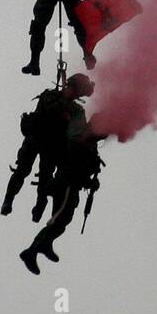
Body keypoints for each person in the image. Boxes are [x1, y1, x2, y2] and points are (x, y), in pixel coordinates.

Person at [20, 102, 106, 274]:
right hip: (66, 184)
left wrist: (90, 182)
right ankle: (32, 250)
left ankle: (44, 245)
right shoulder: (81, 138)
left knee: (62, 221)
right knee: (58, 220)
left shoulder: (87, 142)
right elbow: (75, 166)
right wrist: (87, 181)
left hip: (69, 184)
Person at [0, 74, 95, 220]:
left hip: (52, 147)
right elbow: (52, 109)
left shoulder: (76, 110)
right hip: (35, 139)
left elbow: (78, 133)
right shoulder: (50, 95)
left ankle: (39, 208)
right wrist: (65, 102)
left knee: (45, 179)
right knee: (22, 171)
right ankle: (8, 200)